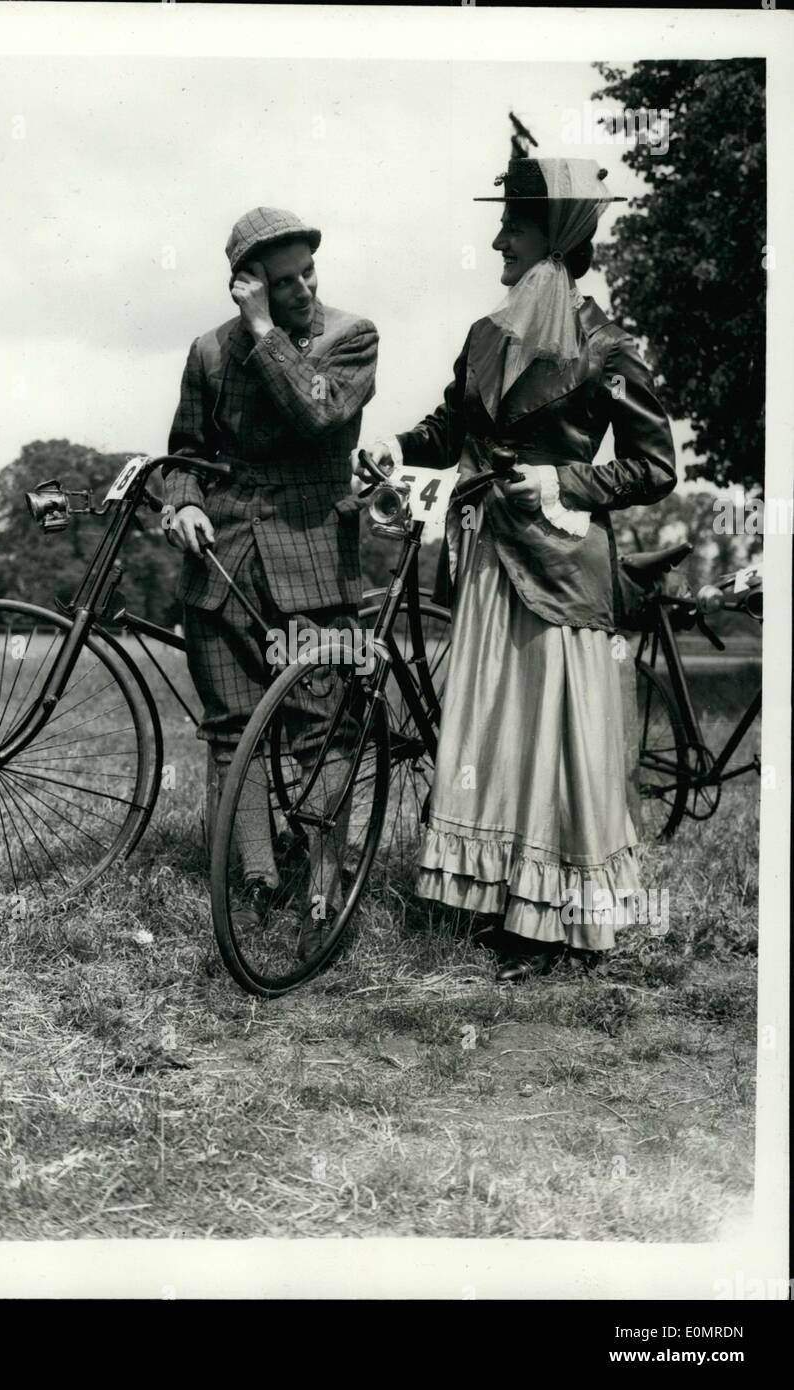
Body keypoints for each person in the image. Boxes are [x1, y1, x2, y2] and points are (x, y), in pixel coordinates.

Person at [354, 158, 676, 981]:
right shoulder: (487, 336)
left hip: (562, 570)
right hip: (490, 562)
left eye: (516, 227)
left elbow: (653, 467)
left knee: (555, 739)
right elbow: (450, 422)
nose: (497, 238)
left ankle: (560, 922)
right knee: (497, 731)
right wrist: (398, 442)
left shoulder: (606, 346)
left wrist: (563, 479)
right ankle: (504, 899)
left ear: (556, 242)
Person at [164, 207, 379, 956]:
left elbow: (318, 418)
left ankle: (325, 886)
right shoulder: (206, 352)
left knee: (325, 730)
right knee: (232, 731)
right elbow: (185, 453)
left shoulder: (350, 337)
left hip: (312, 563)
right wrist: (184, 503)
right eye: (279, 281)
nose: (299, 290)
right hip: (219, 568)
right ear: (245, 282)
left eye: (306, 273)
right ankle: (256, 880)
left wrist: (263, 332)